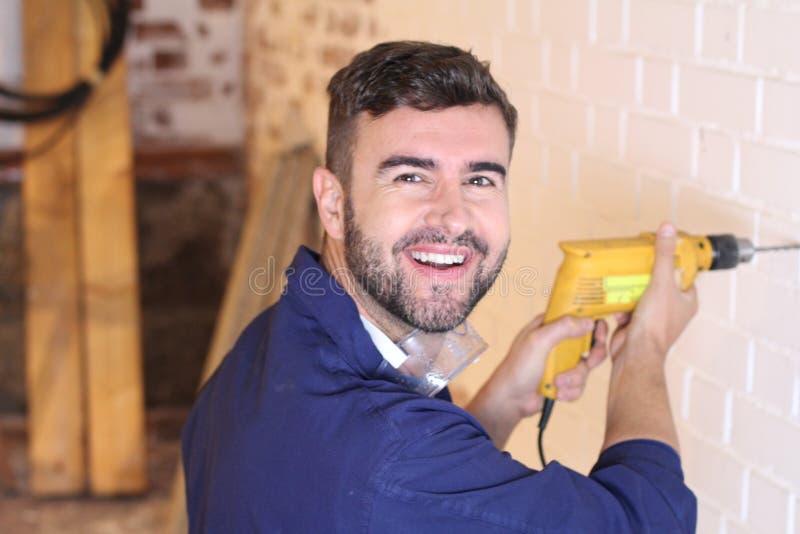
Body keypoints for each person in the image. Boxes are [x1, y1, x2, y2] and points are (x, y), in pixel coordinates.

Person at [182, 41, 698, 532]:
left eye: (480, 180)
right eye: (411, 177)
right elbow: (651, 524)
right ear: (333, 203)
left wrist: (504, 399)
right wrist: (644, 348)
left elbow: (406, 502)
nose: (453, 217)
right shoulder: (397, 457)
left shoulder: (262, 350)